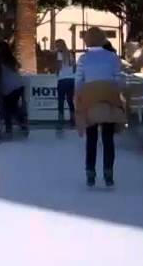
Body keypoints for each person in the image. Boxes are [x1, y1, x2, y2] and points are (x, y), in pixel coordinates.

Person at [75, 27, 126, 188]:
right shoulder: (113, 57)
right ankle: (108, 173)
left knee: (91, 138)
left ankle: (90, 173)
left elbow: (79, 81)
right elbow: (119, 79)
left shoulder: (83, 59)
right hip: (108, 96)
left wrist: (79, 99)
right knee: (108, 138)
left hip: (90, 98)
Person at [0, 44, 28, 137]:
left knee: (8, 108)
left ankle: (10, 127)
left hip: (9, 87)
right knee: (12, 107)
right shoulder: (11, 59)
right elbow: (19, 67)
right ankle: (21, 124)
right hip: (18, 84)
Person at [54, 40, 76, 127]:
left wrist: (57, 72)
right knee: (70, 100)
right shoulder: (71, 54)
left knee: (61, 100)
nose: (56, 47)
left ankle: (61, 120)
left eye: (56, 45)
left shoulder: (60, 54)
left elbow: (59, 66)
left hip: (62, 79)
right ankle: (73, 119)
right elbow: (75, 67)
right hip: (71, 80)